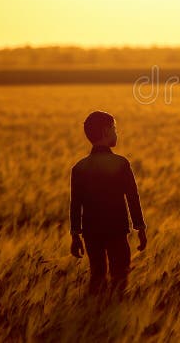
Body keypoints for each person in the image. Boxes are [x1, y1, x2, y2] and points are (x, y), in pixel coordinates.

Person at [69, 111, 147, 295]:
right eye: (114, 129)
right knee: (120, 277)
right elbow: (132, 197)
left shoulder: (79, 168)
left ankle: (96, 314)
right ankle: (115, 311)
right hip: (117, 230)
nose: (116, 133)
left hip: (91, 232)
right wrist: (140, 227)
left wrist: (75, 235)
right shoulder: (120, 163)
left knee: (97, 276)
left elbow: (75, 204)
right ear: (105, 131)